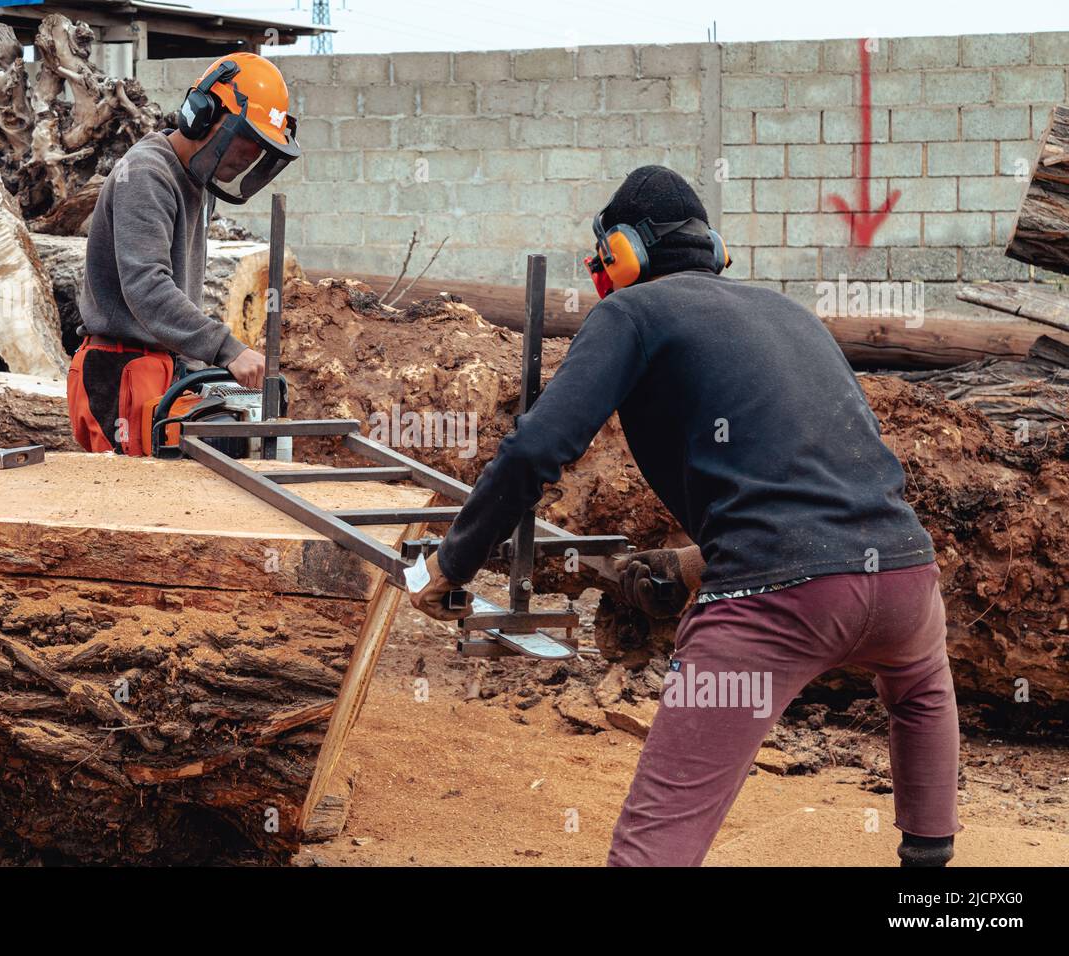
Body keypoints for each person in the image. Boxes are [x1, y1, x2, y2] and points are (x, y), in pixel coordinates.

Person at [409, 165, 960, 868]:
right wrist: (695, 561)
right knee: (917, 697)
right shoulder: (793, 314)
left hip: (774, 599)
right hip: (907, 580)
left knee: (656, 845)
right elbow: (829, 485)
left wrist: (450, 566)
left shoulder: (630, 313)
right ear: (713, 248)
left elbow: (536, 450)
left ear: (620, 255)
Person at [67, 52, 300, 455]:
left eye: (260, 147)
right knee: (128, 505)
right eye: (246, 139)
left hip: (163, 365)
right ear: (203, 114)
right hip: (121, 371)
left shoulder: (197, 182)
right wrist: (227, 349)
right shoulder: (146, 174)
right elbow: (147, 286)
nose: (250, 156)